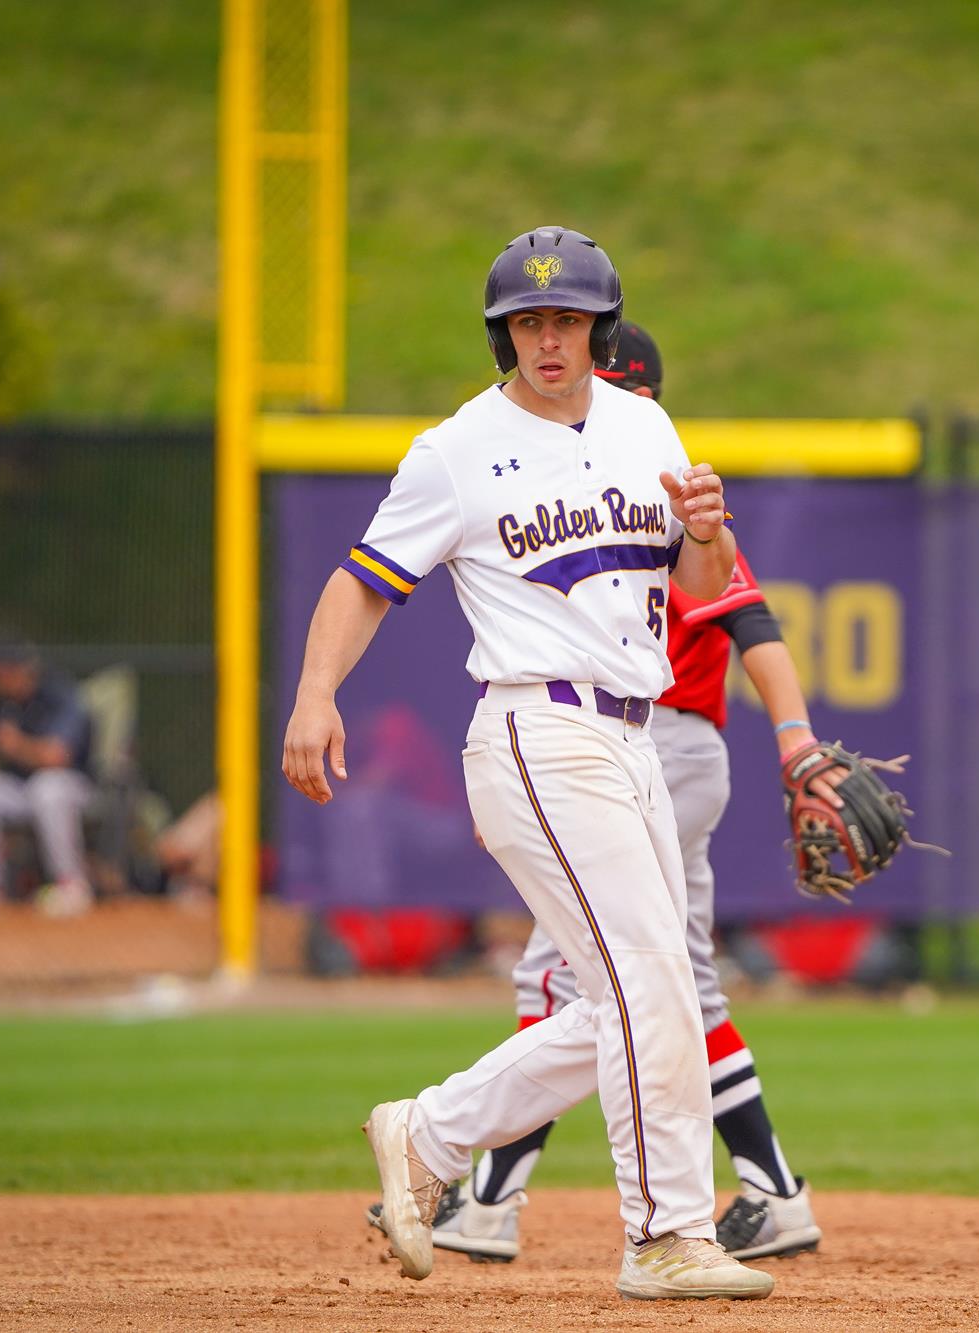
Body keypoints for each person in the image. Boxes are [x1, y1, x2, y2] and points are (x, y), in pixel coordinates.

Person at [281, 227, 775, 1301]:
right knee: (648, 976)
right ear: (502, 332)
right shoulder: (457, 447)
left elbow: (697, 581)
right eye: (526, 321)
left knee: (633, 1001)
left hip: (634, 735)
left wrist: (704, 530)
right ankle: (664, 1235)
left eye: (565, 319)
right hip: (537, 732)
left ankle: (425, 1135)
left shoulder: (643, 420)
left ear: (599, 327)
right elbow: (362, 581)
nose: (546, 339)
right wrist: (317, 691)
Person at [370, 322, 828, 1266]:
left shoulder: (657, 471)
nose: (590, 385)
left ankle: (468, 1169)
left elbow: (743, 609)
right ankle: (678, 1217)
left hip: (659, 747)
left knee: (620, 980)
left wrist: (796, 736)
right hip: (568, 735)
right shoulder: (517, 463)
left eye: (612, 373)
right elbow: (372, 574)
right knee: (649, 982)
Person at [0, 641, 96, 916]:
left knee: (48, 788)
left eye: (1, 673)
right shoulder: (2, 702)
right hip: (21, 790)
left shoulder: (61, 696)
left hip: (72, 788)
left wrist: (17, 746)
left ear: (19, 670)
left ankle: (72, 886)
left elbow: (57, 757)